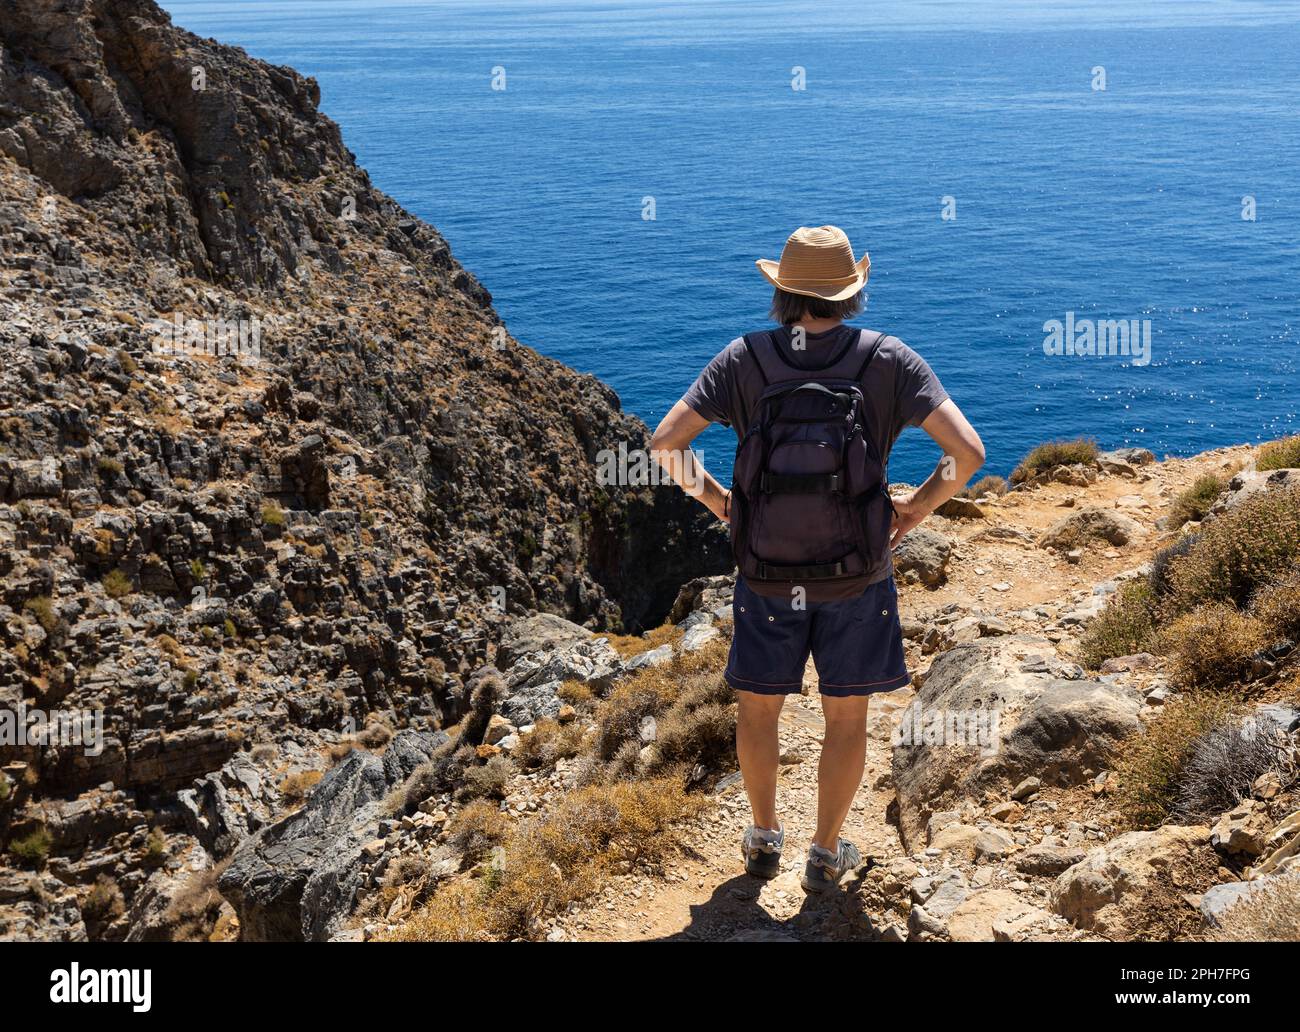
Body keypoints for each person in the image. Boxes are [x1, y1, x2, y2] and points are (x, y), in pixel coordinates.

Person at [649, 225, 985, 892]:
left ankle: (764, 836)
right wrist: (914, 508)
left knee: (758, 710)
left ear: (782, 293)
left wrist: (722, 503)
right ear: (850, 294)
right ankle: (826, 852)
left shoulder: (743, 360)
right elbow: (969, 455)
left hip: (767, 574)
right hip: (854, 576)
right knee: (845, 717)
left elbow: (665, 444)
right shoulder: (889, 360)